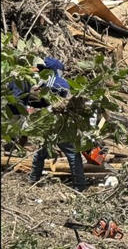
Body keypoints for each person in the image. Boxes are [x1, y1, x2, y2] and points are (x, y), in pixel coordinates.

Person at [14, 57, 88, 191]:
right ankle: (80, 186)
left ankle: (33, 179)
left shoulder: (47, 81)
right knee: (71, 154)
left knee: (42, 151)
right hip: (62, 123)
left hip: (51, 122)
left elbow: (40, 100)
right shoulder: (63, 82)